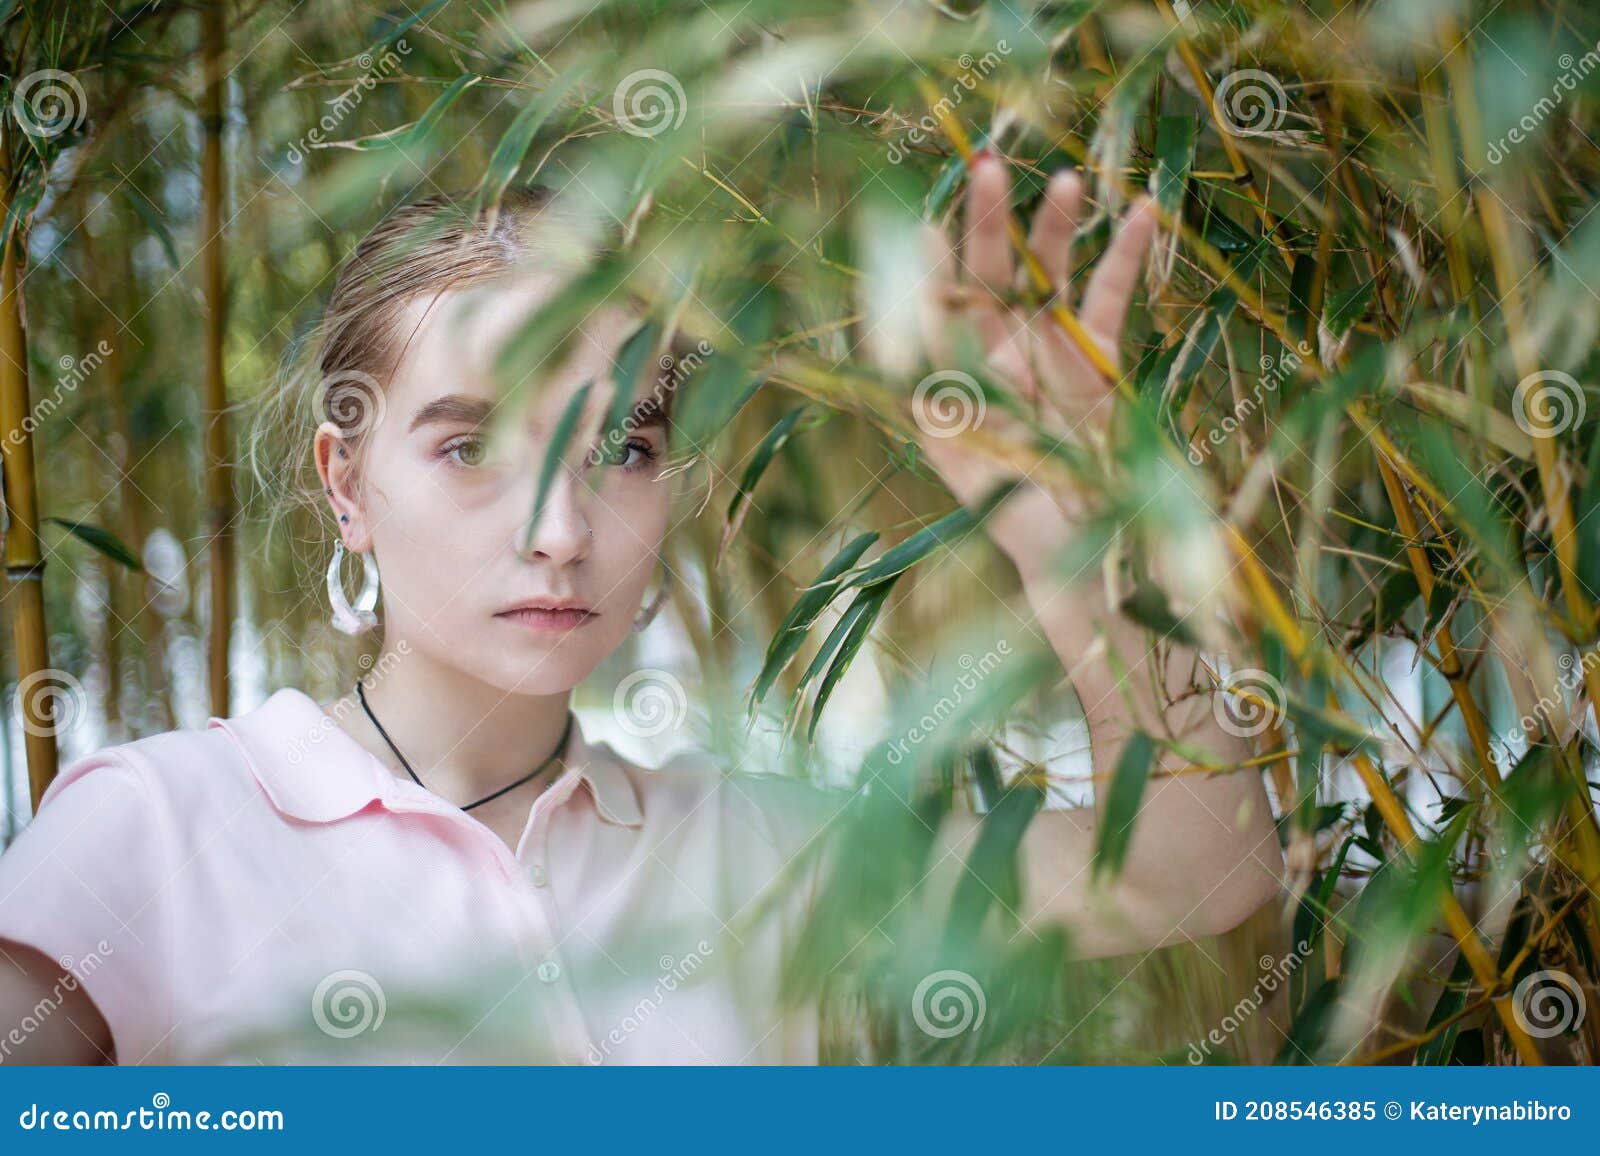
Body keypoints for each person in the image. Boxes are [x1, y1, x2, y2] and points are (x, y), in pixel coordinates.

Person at [0, 152, 1284, 1065]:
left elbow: (1198, 863)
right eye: (468, 447)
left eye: (619, 445)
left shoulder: (759, 853)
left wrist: (1073, 527)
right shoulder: (155, 832)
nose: (560, 532)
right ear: (347, 482)